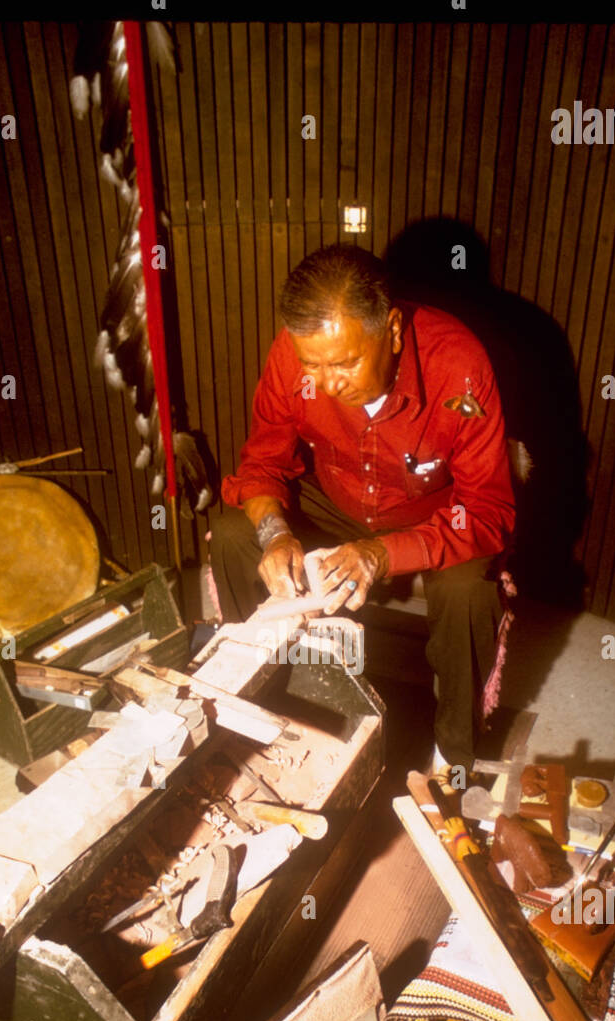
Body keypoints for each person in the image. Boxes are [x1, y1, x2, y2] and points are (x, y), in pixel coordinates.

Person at [209, 244, 516, 778]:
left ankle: (453, 759)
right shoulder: (293, 353)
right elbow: (262, 461)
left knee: (468, 588)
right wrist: (275, 533)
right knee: (234, 530)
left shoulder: (459, 366)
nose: (327, 384)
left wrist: (381, 554)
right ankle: (257, 702)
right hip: (338, 497)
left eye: (346, 362)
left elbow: (488, 510)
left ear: (393, 330)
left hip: (430, 516)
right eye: (313, 365)